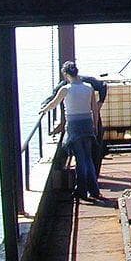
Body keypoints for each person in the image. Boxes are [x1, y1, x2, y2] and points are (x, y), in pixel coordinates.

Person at [39, 61, 103, 201]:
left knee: (80, 160)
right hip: (87, 124)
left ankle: (81, 191)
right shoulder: (89, 87)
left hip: (74, 126)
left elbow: (54, 103)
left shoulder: (66, 89)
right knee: (88, 159)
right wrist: (95, 126)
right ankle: (94, 190)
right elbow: (95, 109)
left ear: (66, 74)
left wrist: (43, 110)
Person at [42, 71, 108, 177]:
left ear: (67, 75)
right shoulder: (84, 86)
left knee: (84, 153)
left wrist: (100, 103)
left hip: (80, 122)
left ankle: (88, 179)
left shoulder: (75, 84)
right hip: (88, 120)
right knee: (90, 152)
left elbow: (53, 101)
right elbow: (52, 98)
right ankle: (92, 179)